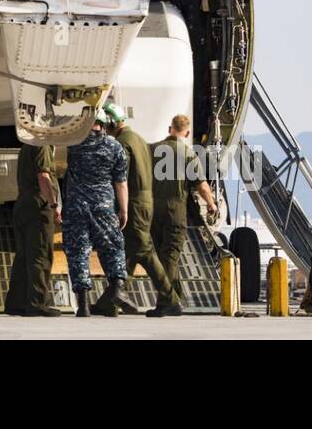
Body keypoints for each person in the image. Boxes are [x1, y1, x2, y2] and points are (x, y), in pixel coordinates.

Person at [103, 101, 176, 316]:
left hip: (133, 201)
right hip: (146, 200)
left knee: (144, 251)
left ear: (112, 123)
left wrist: (117, 206)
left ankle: (169, 298)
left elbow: (119, 178)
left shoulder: (122, 144)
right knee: (128, 252)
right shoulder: (140, 140)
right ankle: (108, 300)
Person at [147, 114, 218, 318]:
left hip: (153, 209)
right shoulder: (187, 153)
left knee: (162, 256)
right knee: (170, 256)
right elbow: (202, 186)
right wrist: (211, 205)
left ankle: (175, 298)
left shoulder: (152, 149)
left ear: (170, 128)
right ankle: (165, 303)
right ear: (186, 132)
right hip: (175, 210)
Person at [62, 110, 129, 317]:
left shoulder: (73, 144)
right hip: (104, 206)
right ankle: (117, 288)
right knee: (113, 248)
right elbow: (121, 182)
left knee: (78, 253)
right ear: (104, 123)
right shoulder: (115, 146)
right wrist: (124, 210)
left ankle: (83, 305)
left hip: (76, 207)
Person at [4, 143, 61, 317]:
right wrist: (53, 204)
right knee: (40, 255)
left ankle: (16, 303)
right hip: (39, 204)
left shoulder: (27, 145)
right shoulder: (42, 146)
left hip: (23, 202)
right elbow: (43, 176)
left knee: (23, 256)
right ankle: (37, 303)